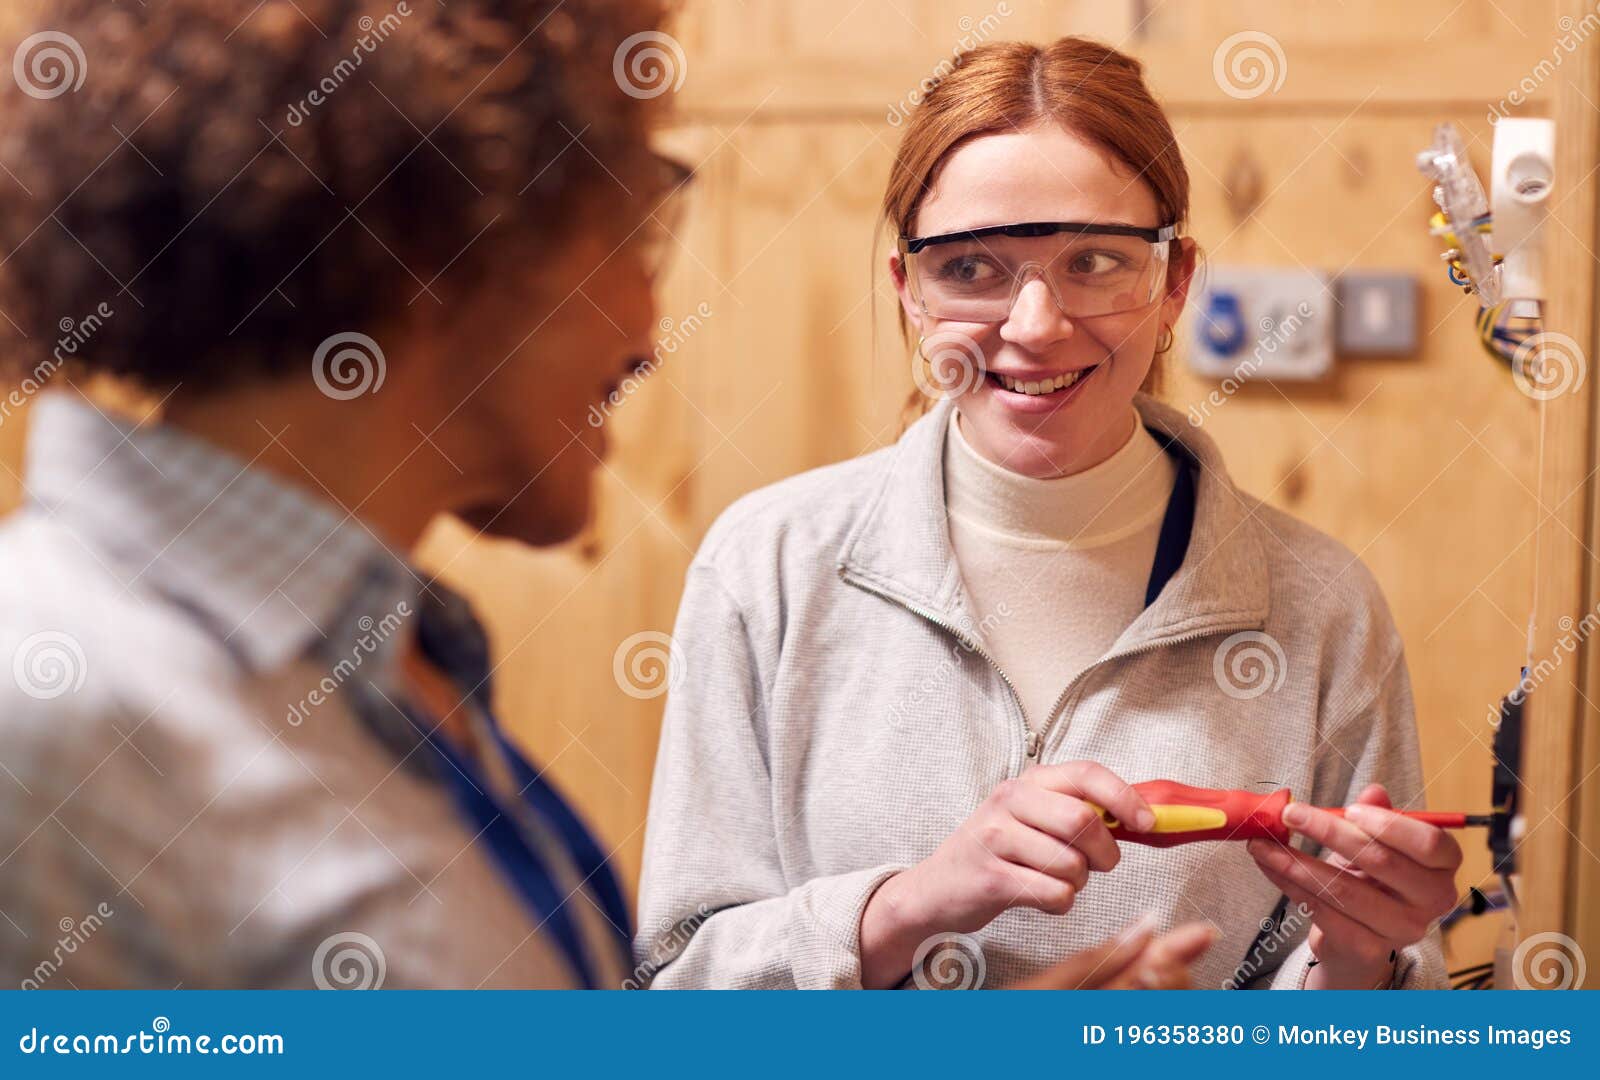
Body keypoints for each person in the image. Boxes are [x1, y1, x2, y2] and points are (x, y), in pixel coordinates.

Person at [0, 3, 1209, 991]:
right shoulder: (42, 695)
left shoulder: (387, 665)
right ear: (449, 250)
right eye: (632, 225)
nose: (646, 324)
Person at [636, 37, 1461, 990]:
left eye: (1096, 260)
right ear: (908, 291)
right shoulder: (767, 569)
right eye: (972, 269)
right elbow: (677, 986)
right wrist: (909, 904)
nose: (1035, 326)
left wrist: (1362, 955)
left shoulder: (1320, 607)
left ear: (1174, 282)